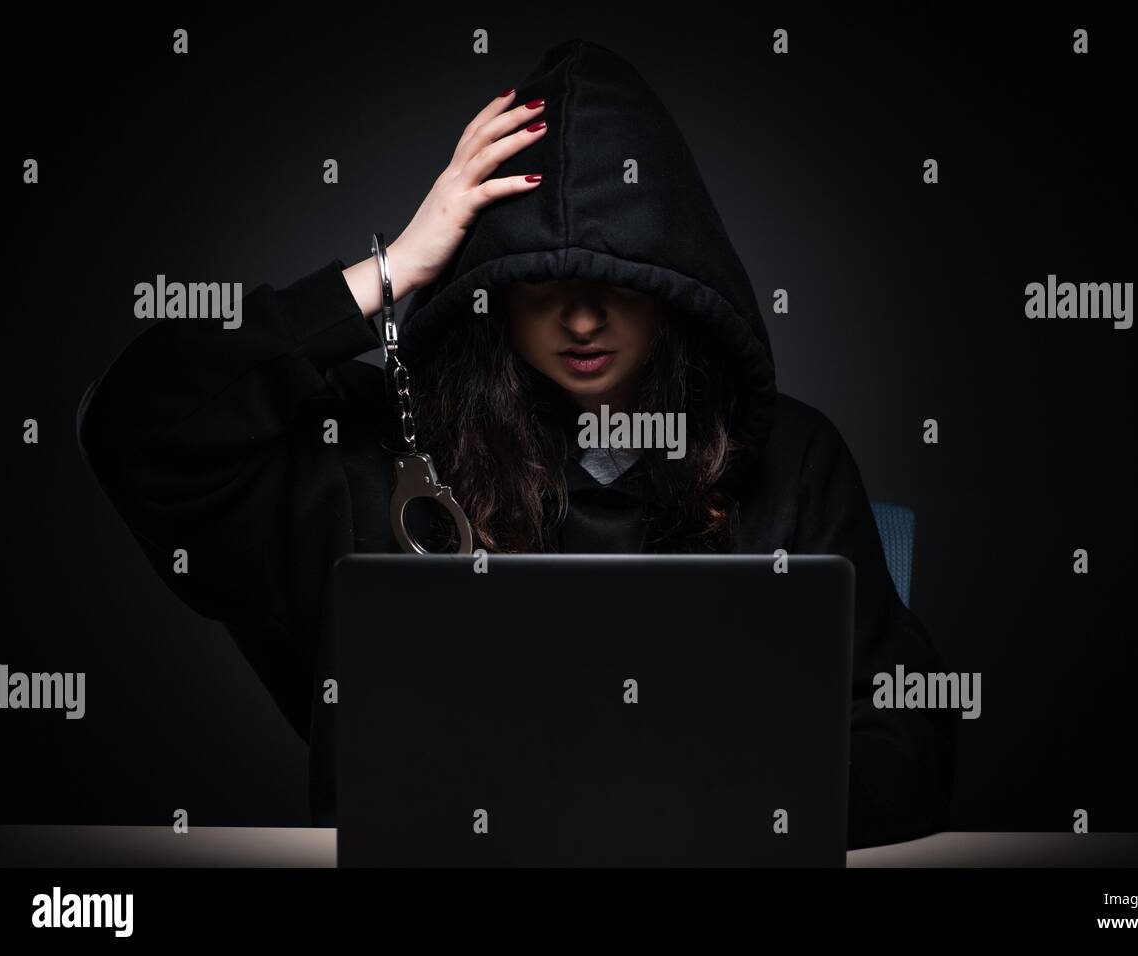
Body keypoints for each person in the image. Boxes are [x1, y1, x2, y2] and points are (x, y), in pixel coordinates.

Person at [77, 37, 956, 848]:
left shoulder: (792, 458)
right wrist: (387, 274)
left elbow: (907, 733)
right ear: (489, 288)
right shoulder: (380, 450)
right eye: (545, 284)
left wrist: (711, 824)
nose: (582, 317)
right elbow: (136, 427)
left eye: (619, 282)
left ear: (677, 287)